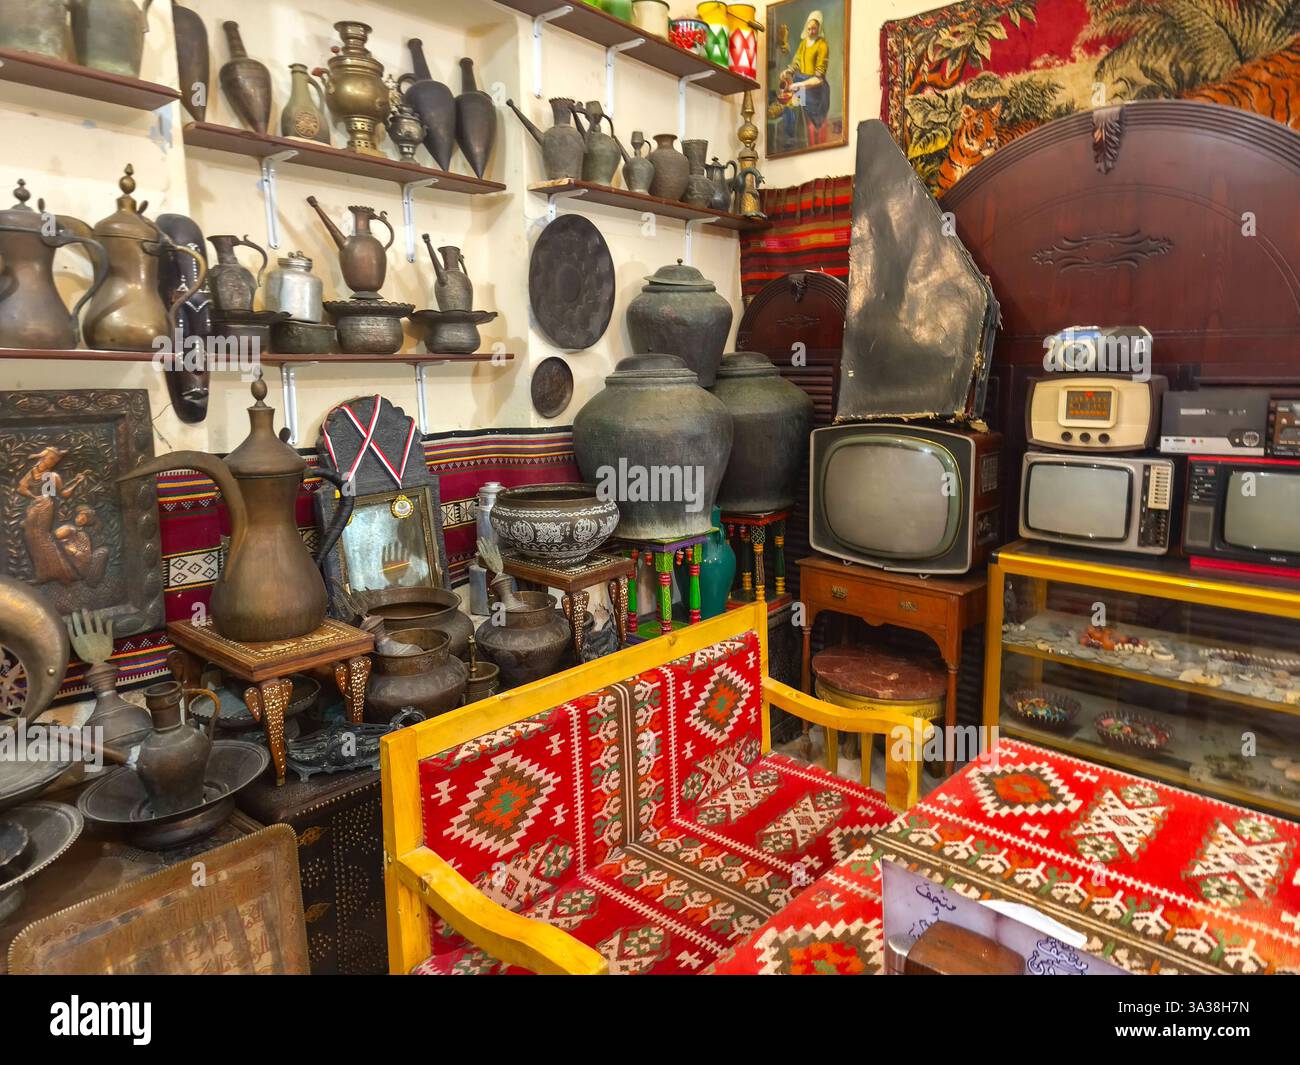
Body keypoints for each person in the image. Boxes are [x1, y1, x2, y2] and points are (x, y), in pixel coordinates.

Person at [779, 11, 832, 149]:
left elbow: (819, 78)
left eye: (814, 28)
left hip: (815, 89)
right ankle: (791, 139)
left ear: (819, 28)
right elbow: (796, 62)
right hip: (800, 83)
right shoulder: (803, 43)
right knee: (792, 107)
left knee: (810, 119)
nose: (811, 31)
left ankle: (814, 146)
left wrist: (800, 85)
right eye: (809, 28)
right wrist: (788, 71)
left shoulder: (822, 45)